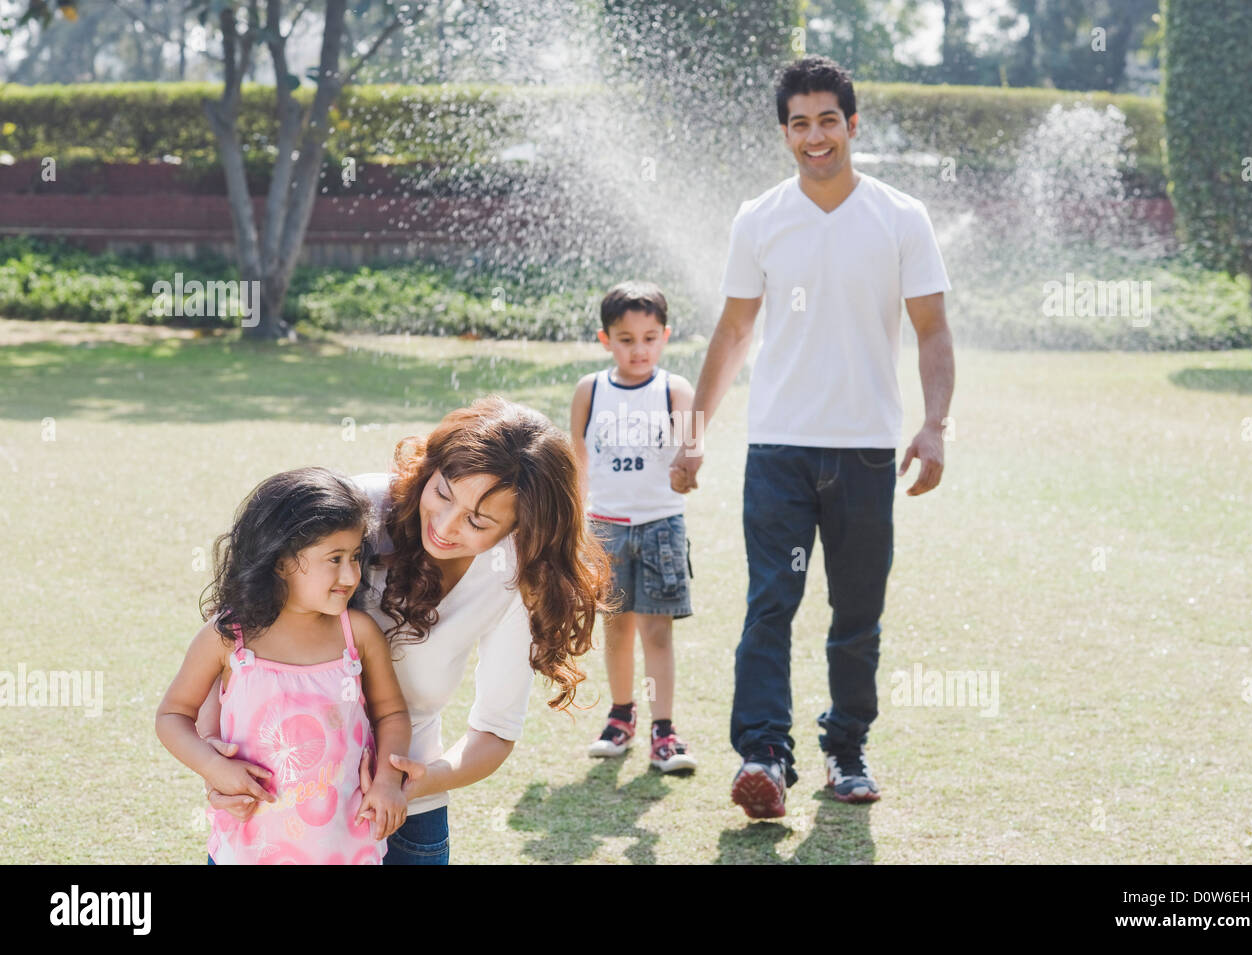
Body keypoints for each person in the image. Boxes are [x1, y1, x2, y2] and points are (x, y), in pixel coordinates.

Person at [669, 56, 955, 819]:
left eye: (828, 119)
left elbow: (931, 330)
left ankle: (846, 747)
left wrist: (933, 425)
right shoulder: (759, 217)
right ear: (785, 133)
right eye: (800, 123)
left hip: (865, 450)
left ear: (852, 125)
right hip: (779, 452)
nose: (815, 135)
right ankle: (763, 754)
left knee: (857, 613)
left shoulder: (901, 217)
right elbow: (733, 330)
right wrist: (694, 432)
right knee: (771, 603)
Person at [201, 396, 612, 864]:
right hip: (274, 807)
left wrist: (411, 780)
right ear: (431, 467)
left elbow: (495, 731)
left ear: (520, 529)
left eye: (477, 521)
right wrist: (216, 759)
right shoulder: (361, 509)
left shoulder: (516, 576)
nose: (445, 526)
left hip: (406, 819)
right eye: (442, 493)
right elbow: (239, 629)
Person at [156, 466, 412, 864]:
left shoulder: (356, 633)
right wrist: (212, 766)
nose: (350, 574)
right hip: (248, 848)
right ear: (280, 562)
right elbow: (172, 715)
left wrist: (388, 782)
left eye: (355, 557)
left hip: (345, 848)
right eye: (334, 558)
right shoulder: (228, 637)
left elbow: (392, 713)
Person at [569, 281, 698, 774]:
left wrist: (691, 460)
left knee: (656, 633)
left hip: (661, 524)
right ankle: (620, 717)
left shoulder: (676, 389)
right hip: (605, 527)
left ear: (665, 336)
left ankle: (664, 732)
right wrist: (577, 521)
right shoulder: (590, 389)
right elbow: (577, 457)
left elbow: (692, 446)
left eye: (649, 337)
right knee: (615, 626)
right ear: (606, 339)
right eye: (626, 338)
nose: (638, 349)